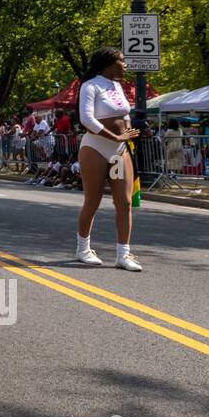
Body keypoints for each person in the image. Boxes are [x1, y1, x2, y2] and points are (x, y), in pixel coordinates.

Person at [74, 46, 142, 271]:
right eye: (122, 61)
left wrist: (129, 131)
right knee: (92, 201)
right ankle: (83, 249)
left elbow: (125, 114)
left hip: (119, 151)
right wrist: (115, 135)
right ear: (109, 62)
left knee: (124, 202)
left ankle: (123, 254)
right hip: (95, 149)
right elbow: (87, 119)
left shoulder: (117, 85)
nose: (125, 65)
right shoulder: (90, 85)